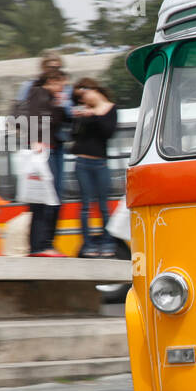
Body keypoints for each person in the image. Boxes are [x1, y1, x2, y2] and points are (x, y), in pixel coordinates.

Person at [71, 77, 118, 257]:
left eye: (83, 95)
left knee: (104, 206)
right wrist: (80, 118)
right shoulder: (83, 111)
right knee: (85, 206)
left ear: (93, 90)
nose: (82, 100)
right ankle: (88, 244)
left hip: (100, 163)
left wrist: (94, 116)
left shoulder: (111, 109)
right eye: (79, 99)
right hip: (82, 162)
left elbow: (108, 132)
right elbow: (74, 135)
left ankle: (107, 242)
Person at [23, 69, 68, 254]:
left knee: (50, 199)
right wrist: (35, 140)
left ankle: (45, 243)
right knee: (44, 200)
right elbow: (32, 117)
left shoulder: (50, 98)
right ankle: (41, 245)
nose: (62, 88)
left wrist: (58, 104)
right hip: (44, 150)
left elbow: (57, 121)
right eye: (60, 84)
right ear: (51, 80)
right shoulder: (38, 93)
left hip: (52, 149)